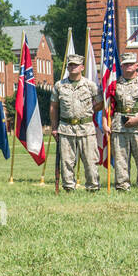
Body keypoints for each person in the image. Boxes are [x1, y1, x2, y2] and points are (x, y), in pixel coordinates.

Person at [50, 53, 103, 192]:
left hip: (86, 128)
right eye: (70, 65)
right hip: (66, 128)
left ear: (82, 67)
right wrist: (54, 127)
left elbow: (101, 103)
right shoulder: (59, 85)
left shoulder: (90, 85)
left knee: (90, 160)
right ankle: (68, 188)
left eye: (75, 65)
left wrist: (90, 110)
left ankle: (93, 187)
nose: (72, 67)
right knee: (67, 161)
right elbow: (53, 107)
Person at [111, 52, 138, 193]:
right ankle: (122, 187)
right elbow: (109, 105)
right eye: (125, 64)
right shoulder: (114, 83)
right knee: (120, 158)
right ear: (121, 66)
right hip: (120, 126)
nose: (128, 66)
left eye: (131, 64)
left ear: (136, 65)